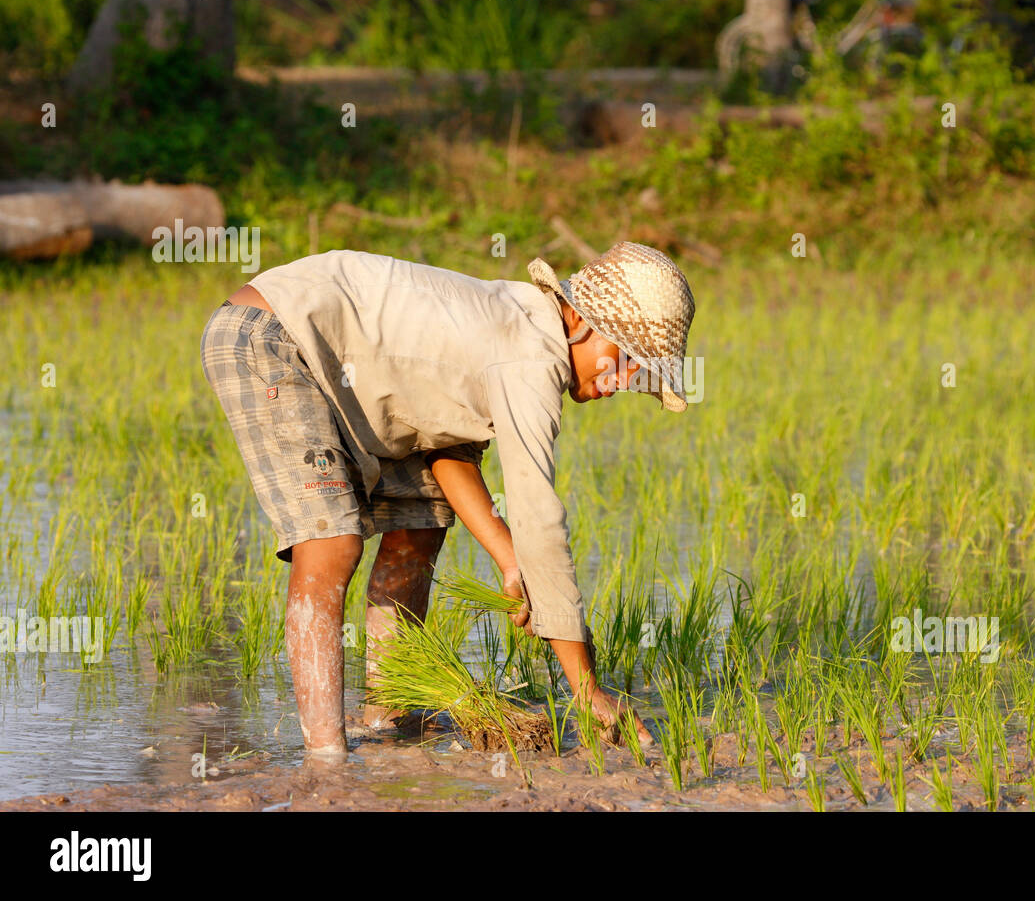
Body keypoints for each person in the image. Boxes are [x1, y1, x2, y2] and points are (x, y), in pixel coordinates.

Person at [198, 241, 696, 759]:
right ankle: (327, 760)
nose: (622, 382)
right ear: (584, 321)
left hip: (347, 370)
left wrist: (508, 560)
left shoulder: (519, 328)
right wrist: (587, 690)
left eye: (639, 375)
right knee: (334, 543)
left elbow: (450, 454)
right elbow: (539, 521)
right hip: (273, 338)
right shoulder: (531, 357)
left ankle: (387, 715)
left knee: (423, 523)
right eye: (627, 359)